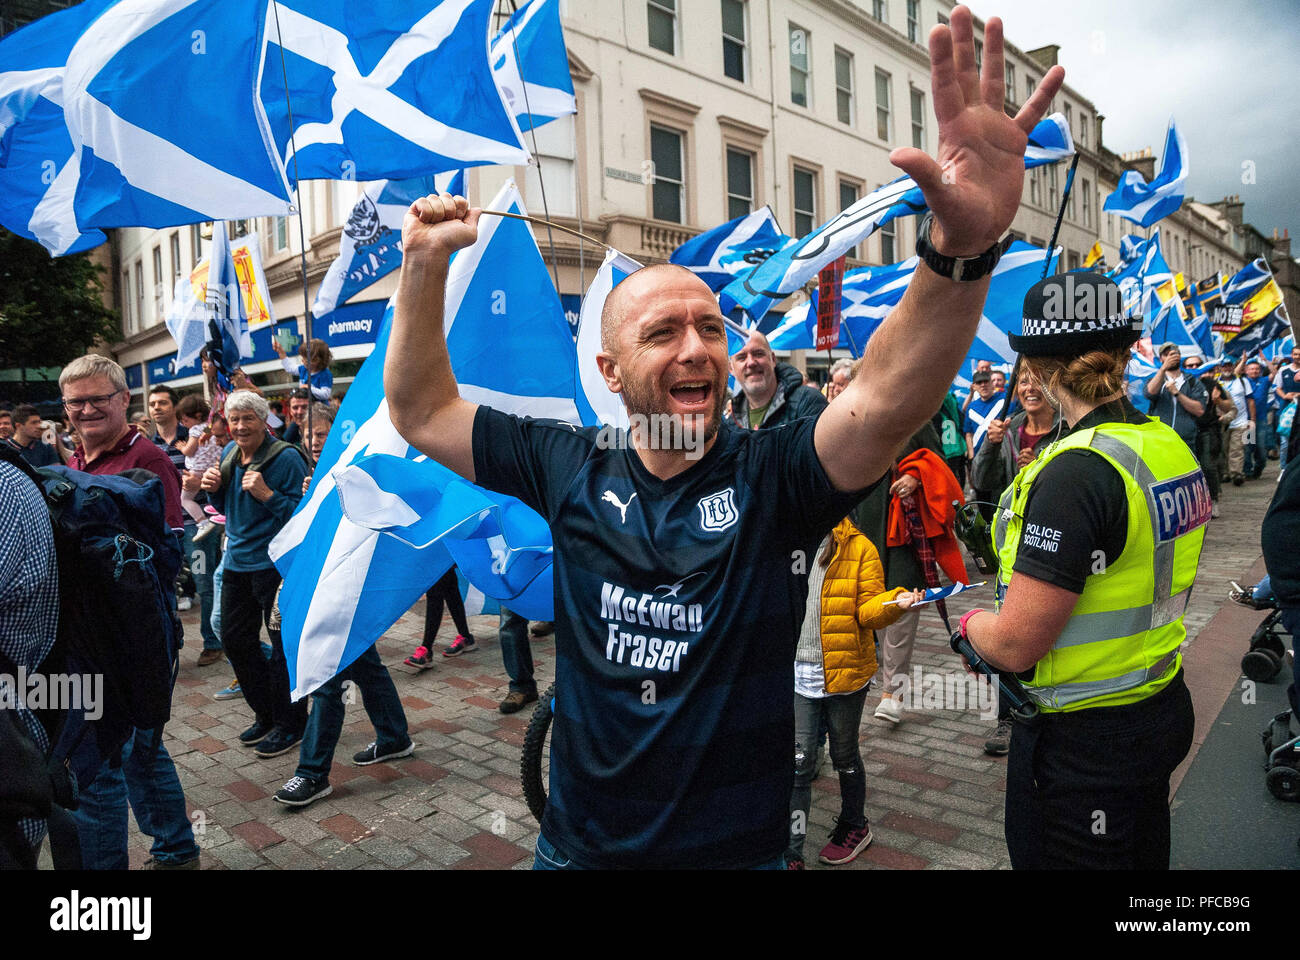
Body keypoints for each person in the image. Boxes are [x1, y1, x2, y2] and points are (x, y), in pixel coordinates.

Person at [384, 4, 1062, 869]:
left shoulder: (773, 474)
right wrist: (422, 266)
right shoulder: (565, 463)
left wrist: (962, 252)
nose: (698, 346)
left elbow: (889, 399)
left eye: (708, 325)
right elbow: (422, 410)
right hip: (576, 853)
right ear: (610, 368)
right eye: (662, 332)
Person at [960, 273, 1207, 870]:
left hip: (1082, 738)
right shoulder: (1164, 442)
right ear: (1123, 354)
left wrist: (969, 625)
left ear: (1040, 368)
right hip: (1157, 703)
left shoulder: (1078, 469)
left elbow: (1016, 643)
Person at [60, 354, 199, 869]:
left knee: (98, 763)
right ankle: (178, 848)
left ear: (124, 400)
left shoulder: (150, 461)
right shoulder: (72, 460)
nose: (88, 409)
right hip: (88, 635)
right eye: (77, 401)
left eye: (99, 398)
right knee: (139, 748)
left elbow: (166, 557)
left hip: (135, 636)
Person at [785, 516, 920, 869]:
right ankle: (792, 849)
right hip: (800, 673)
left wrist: (894, 602)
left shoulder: (859, 547)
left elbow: (867, 610)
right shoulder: (788, 538)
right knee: (799, 764)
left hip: (846, 673)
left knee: (844, 756)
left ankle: (855, 825)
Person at [199, 390, 309, 759]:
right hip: (237, 564)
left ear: (265, 421)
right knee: (235, 640)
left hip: (274, 567)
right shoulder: (231, 453)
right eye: (235, 420)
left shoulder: (286, 457)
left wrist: (269, 496)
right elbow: (225, 508)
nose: (241, 426)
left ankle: (292, 723)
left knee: (281, 650)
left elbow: (301, 515)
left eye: (249, 418)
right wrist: (212, 493)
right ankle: (267, 713)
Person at [729, 330, 828, 429]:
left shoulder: (808, 402)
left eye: (758, 354)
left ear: (773, 359)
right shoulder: (730, 424)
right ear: (730, 368)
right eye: (741, 357)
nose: (751, 363)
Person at [405, 566, 476, 668]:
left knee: (435, 590)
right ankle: (466, 637)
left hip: (440, 553)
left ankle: (426, 650)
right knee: (450, 588)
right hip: (436, 553)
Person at [1144, 342, 1207, 450]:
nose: (1171, 357)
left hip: (1186, 441)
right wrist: (1163, 369)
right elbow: (1149, 393)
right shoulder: (1156, 379)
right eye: (1167, 355)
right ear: (1161, 359)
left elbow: (1199, 410)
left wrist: (1177, 393)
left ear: (1180, 357)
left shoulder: (1192, 382)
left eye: (1174, 354)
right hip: (1160, 439)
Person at [963, 369, 1006, 516]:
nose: (983, 385)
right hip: (980, 461)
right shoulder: (971, 407)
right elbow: (968, 432)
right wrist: (971, 455)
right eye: (979, 382)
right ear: (974, 386)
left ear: (991, 382)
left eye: (985, 381)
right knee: (983, 502)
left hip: (1001, 459)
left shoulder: (1005, 400)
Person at [274, 336, 334, 402]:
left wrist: (309, 388)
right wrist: (281, 352)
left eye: (304, 358)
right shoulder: (303, 369)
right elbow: (289, 367)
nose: (302, 360)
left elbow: (325, 394)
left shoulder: (325, 374)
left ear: (316, 360)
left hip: (319, 408)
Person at [1245, 359, 1272, 478]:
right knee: (1247, 447)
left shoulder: (1264, 381)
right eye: (1251, 369)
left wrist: (1266, 360)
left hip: (1261, 420)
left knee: (1261, 448)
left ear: (1260, 371)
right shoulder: (1243, 381)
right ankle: (1247, 471)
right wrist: (1244, 360)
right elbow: (1235, 372)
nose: (1254, 371)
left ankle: (1258, 469)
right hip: (1247, 420)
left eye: (1256, 369)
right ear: (1246, 371)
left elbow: (1274, 372)